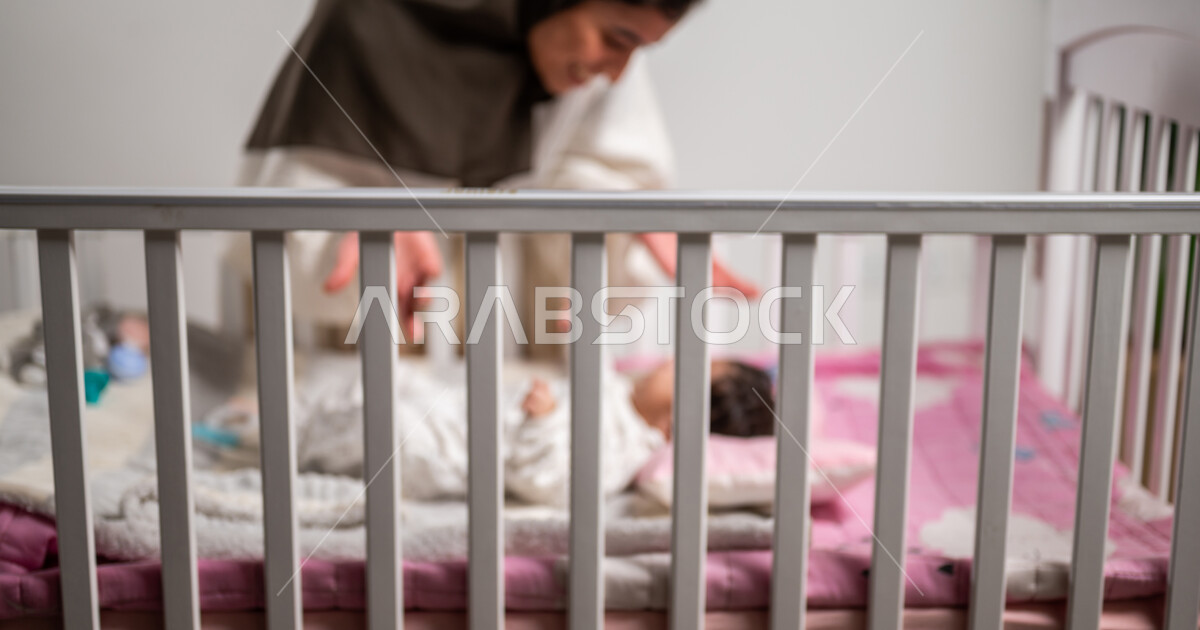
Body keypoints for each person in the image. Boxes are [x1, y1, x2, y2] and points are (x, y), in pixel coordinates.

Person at [231, 0, 757, 356]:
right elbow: (287, 208)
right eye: (617, 38)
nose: (618, 70)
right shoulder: (364, 22)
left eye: (638, 49)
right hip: (356, 350)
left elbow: (601, 169)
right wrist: (366, 228)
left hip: (500, 347)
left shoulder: (595, 66)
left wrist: (629, 214)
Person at [198, 357, 777, 507]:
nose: (676, 358)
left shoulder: (630, 446)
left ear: (676, 423)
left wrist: (545, 422)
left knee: (383, 420)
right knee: (392, 383)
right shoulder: (620, 394)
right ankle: (277, 420)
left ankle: (273, 435)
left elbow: (550, 482)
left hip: (437, 451)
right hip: (456, 418)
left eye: (695, 368)